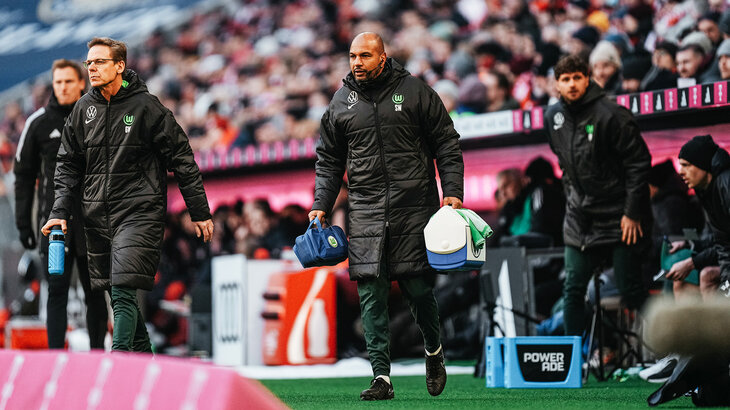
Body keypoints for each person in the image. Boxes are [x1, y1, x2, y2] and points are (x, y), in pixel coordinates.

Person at [310, 32, 464, 400]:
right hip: (364, 210)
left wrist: (453, 193)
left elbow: (446, 142)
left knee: (418, 290)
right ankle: (382, 376)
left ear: (382, 57)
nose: (357, 63)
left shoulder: (415, 92)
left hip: (415, 207)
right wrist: (321, 203)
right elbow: (329, 160)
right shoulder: (340, 102)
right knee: (370, 292)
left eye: (364, 56)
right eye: (352, 56)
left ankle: (433, 350)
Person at [41, 37, 213, 353]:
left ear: (120, 65)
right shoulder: (83, 109)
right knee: (120, 297)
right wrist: (59, 212)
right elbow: (67, 166)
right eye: (89, 63)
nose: (92, 67)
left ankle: (115, 363)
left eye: (100, 62)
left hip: (139, 212)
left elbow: (182, 158)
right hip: (96, 217)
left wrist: (199, 210)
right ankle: (148, 369)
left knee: (122, 291)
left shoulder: (147, 108)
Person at [544, 55, 651, 336]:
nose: (572, 84)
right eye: (565, 80)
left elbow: (639, 164)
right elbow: (564, 164)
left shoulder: (611, 113)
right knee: (573, 287)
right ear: (556, 84)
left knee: (632, 289)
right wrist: (573, 199)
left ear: (588, 78)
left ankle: (671, 352)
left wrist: (632, 212)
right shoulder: (552, 116)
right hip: (580, 216)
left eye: (577, 77)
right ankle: (574, 361)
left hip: (619, 215)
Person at [14, 59, 108, 349]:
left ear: (82, 83)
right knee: (56, 292)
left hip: (93, 223)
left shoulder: (101, 116)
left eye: (69, 81)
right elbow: (23, 175)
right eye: (58, 82)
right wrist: (23, 223)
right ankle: (57, 359)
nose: (63, 87)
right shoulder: (38, 123)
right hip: (54, 225)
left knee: (96, 293)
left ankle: (97, 356)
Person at [675, 135, 730, 293]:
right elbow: (723, 245)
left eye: (686, 165)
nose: (681, 172)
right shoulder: (707, 191)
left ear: (704, 166)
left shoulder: (726, 184)